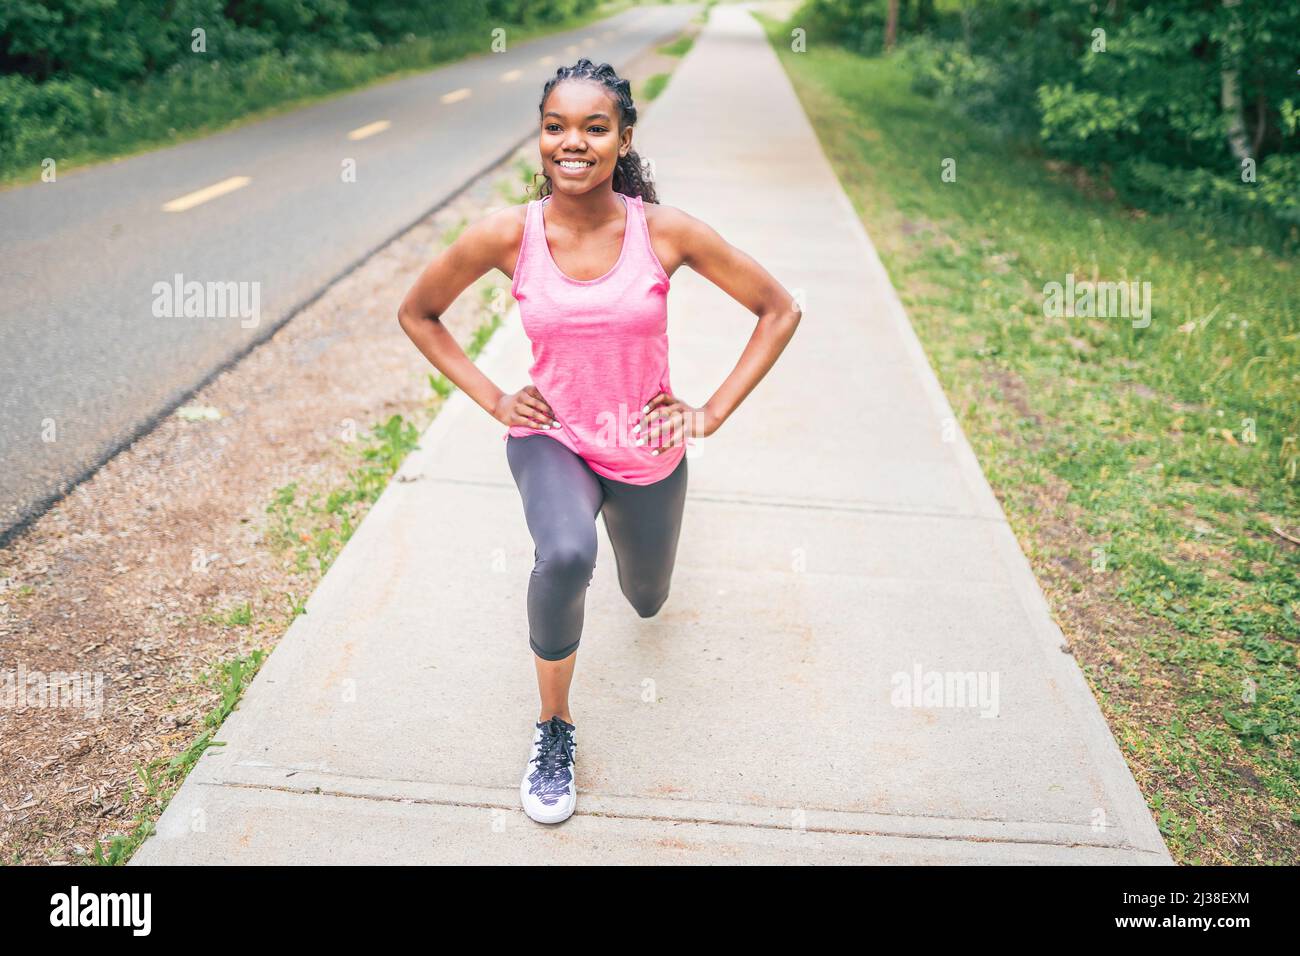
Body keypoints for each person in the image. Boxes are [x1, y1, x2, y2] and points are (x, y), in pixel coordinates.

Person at [397, 58, 802, 824]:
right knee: (566, 555)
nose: (570, 143)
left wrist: (709, 413)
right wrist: (493, 398)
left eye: (593, 127)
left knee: (646, 599)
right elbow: (418, 312)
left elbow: (778, 309)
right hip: (555, 438)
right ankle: (554, 729)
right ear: (540, 135)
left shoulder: (666, 231)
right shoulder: (506, 234)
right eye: (555, 127)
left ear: (623, 137)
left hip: (646, 451)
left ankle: (641, 579)